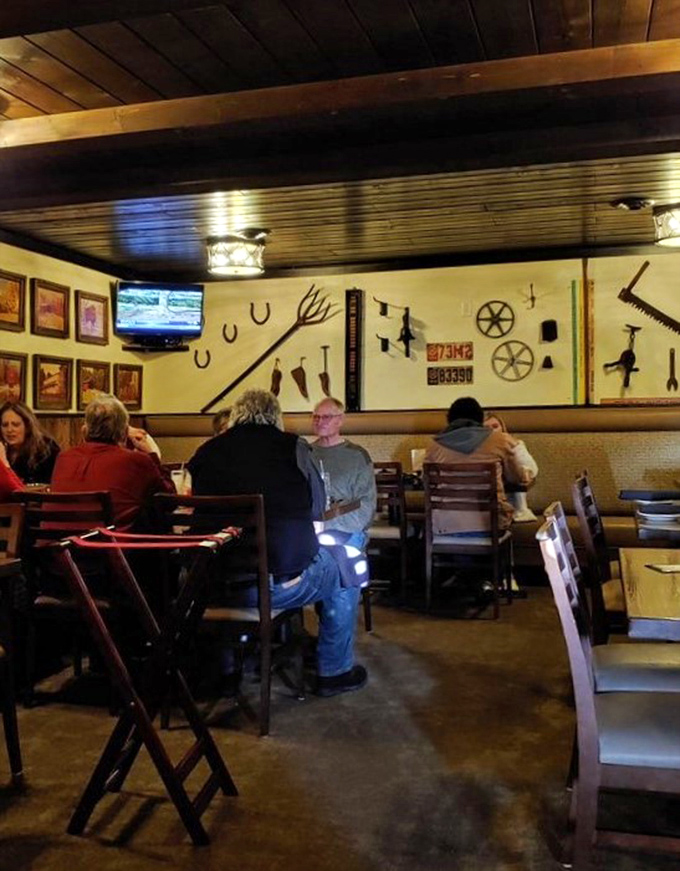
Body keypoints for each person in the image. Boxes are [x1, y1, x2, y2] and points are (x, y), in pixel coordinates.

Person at [187, 388, 367, 697]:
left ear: (235, 415)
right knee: (346, 561)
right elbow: (316, 507)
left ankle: (226, 671)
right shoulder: (293, 448)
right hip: (279, 585)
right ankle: (334, 671)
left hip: (213, 583)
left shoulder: (206, 452)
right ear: (275, 417)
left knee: (238, 563)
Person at [51, 394, 174, 530]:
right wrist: (152, 455)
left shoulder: (64, 458)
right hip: (109, 546)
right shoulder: (136, 460)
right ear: (124, 432)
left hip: (59, 546)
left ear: (84, 430)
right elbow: (168, 500)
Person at [425, 396, 524, 535]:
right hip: (491, 523)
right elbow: (517, 478)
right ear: (480, 418)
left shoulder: (434, 446)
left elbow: (427, 483)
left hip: (446, 524)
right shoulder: (501, 440)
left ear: (449, 419)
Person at [310, 397, 377, 545]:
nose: (320, 421)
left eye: (326, 417)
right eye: (316, 417)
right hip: (310, 530)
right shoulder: (306, 454)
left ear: (340, 420)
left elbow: (366, 505)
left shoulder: (357, 456)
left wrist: (327, 524)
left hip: (347, 530)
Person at [484, 411, 538, 522]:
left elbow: (532, 470)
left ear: (502, 428)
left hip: (510, 499)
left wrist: (514, 446)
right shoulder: (476, 452)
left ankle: (520, 511)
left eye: (495, 427)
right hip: (486, 502)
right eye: (486, 428)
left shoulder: (514, 444)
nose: (492, 431)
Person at [0, 401, 60, 484]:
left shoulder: (47, 449)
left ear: (27, 426)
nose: (10, 430)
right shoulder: (3, 450)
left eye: (16, 425)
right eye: (5, 425)